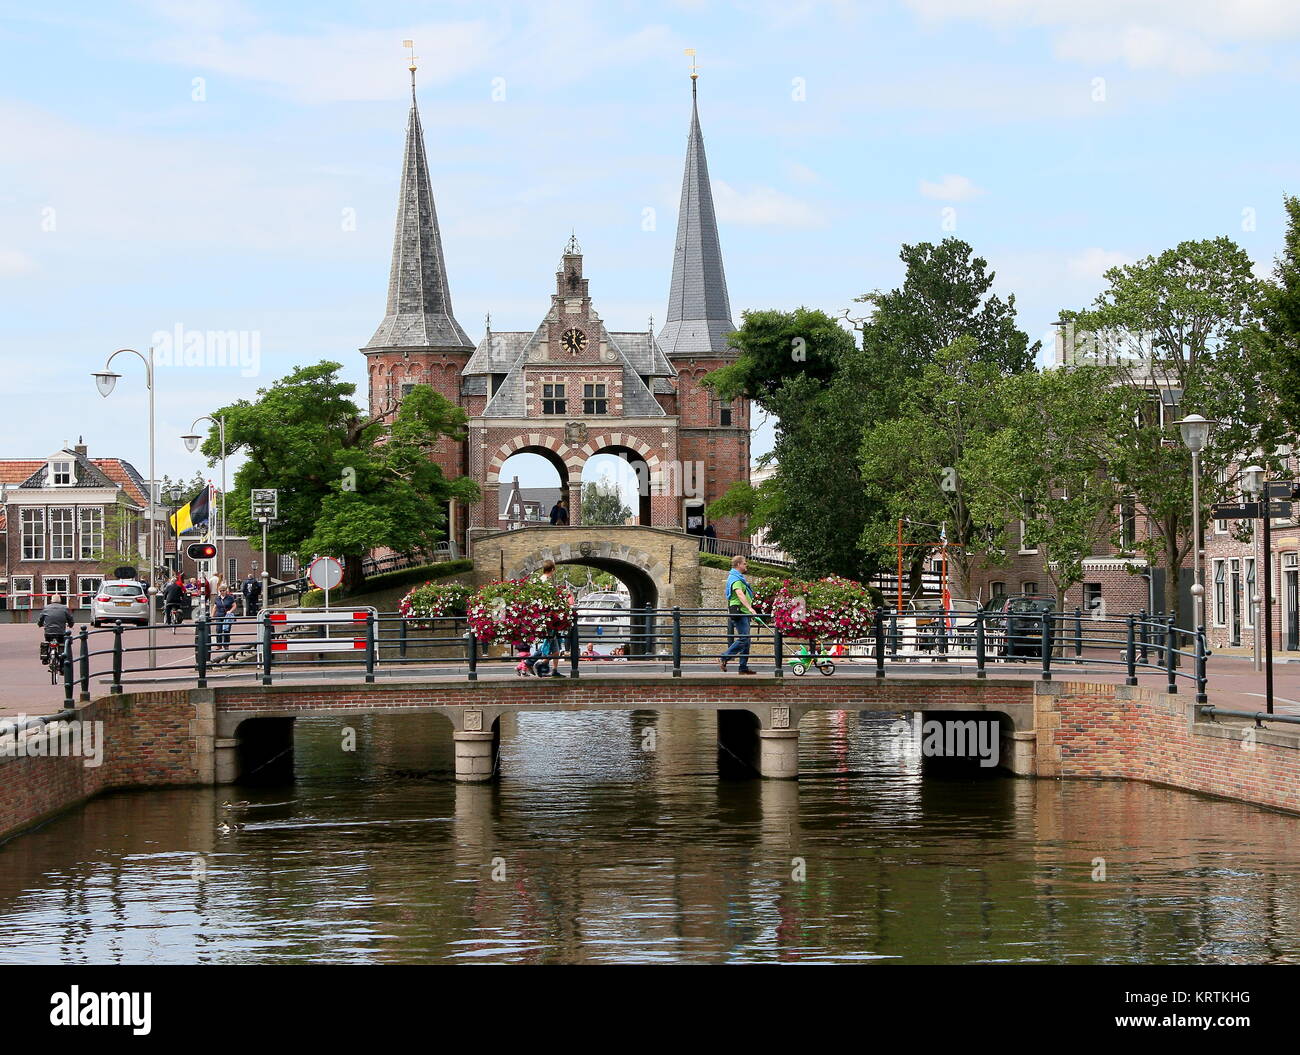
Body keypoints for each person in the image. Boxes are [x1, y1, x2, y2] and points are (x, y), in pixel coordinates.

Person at [720, 555, 757, 674]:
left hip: (744, 613)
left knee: (746, 640)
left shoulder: (739, 577)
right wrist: (750, 608)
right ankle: (724, 657)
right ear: (738, 565)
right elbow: (740, 594)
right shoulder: (735, 578)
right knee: (744, 638)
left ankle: (743, 667)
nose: (746, 565)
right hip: (740, 611)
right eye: (744, 563)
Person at [37, 594, 73, 662]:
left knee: (47, 641)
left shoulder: (46, 608)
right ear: (60, 600)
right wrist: (71, 625)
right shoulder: (65, 608)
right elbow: (70, 619)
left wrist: (40, 624)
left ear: (51, 600)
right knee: (62, 643)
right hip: (61, 632)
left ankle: (45, 658)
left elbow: (40, 619)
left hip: (48, 632)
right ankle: (62, 663)